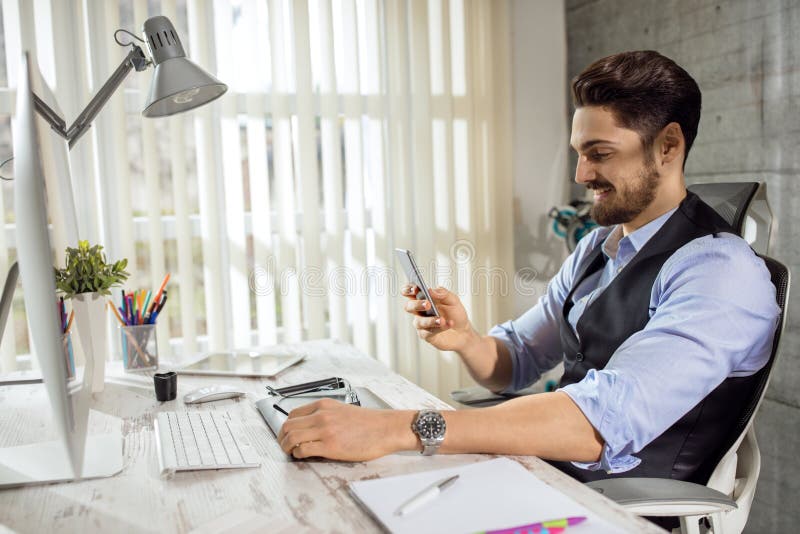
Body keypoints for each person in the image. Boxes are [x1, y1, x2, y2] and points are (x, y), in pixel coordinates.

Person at [277, 51, 779, 486]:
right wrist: (468, 339)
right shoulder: (596, 247)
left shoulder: (721, 273)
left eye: (599, 154)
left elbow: (600, 421)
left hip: (613, 506)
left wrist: (395, 428)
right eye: (579, 154)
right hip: (543, 474)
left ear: (668, 146)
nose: (581, 175)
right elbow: (516, 361)